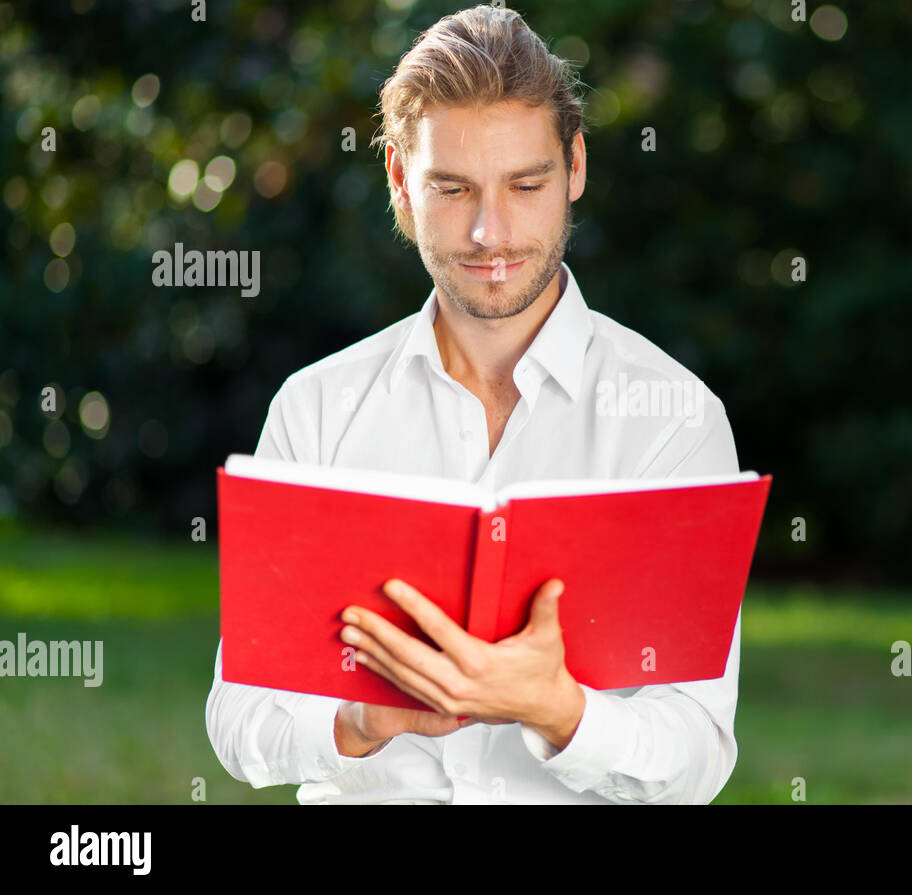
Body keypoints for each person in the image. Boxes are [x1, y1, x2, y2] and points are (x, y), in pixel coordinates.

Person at [205, 4, 743, 804]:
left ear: (576, 169)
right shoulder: (316, 408)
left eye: (526, 185)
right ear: (398, 178)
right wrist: (359, 722)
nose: (492, 233)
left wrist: (559, 712)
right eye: (452, 188)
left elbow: (697, 754)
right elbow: (238, 719)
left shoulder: (674, 419)